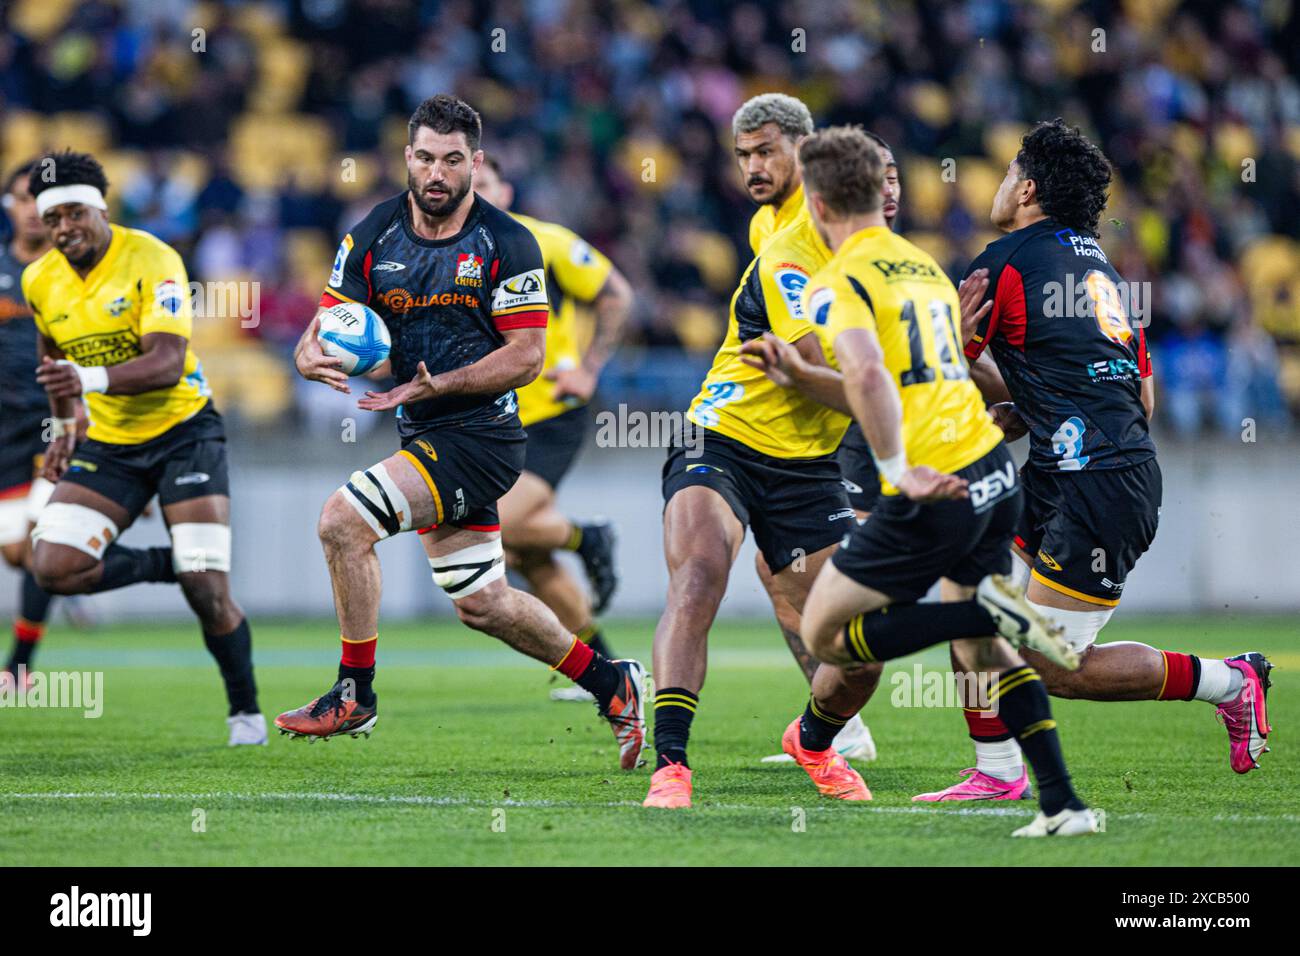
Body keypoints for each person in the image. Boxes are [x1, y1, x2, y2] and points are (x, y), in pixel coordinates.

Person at [746, 125, 1097, 837]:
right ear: (881, 192)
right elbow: (889, 382)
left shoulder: (836, 279)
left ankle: (984, 615)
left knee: (829, 633)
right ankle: (1061, 802)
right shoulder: (924, 268)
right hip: (995, 470)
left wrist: (896, 471)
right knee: (984, 656)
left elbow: (871, 376)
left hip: (935, 482)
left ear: (815, 202)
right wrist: (801, 375)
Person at [276, 95, 646, 769]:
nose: (436, 173)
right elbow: (328, 321)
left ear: (474, 161)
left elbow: (527, 357)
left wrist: (436, 385)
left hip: (482, 439)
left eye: (452, 159)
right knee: (485, 604)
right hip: (423, 435)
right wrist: (306, 353)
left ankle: (355, 692)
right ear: (407, 158)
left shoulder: (508, 241)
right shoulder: (371, 234)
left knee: (341, 522)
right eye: (424, 158)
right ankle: (612, 682)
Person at [916, 120, 1272, 800]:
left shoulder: (1005, 261)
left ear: (1025, 187)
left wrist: (953, 351)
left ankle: (1231, 680)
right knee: (968, 593)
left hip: (1096, 485)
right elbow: (1141, 393)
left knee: (1056, 666)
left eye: (1005, 173)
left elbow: (943, 378)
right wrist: (1041, 406)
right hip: (1080, 470)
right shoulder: (1098, 269)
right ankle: (996, 774)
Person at [642, 94, 880, 809]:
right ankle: (671, 767)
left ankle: (813, 739)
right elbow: (813, 367)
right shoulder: (782, 246)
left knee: (862, 643)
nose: (752, 167)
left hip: (808, 464)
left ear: (805, 154)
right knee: (700, 573)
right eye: (743, 155)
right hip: (722, 436)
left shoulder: (834, 236)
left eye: (765, 151)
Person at [21, 150, 264, 745]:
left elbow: (166, 361)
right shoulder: (40, 279)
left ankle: (246, 713)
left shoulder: (152, 257)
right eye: (52, 219)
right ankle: (166, 563)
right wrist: (64, 427)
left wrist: (88, 383)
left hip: (185, 432)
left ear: (101, 207)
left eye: (74, 213)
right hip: (109, 441)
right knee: (53, 566)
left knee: (209, 592)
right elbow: (53, 364)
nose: (63, 229)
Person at [473, 156, 632, 702]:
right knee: (523, 556)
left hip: (549, 415)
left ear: (507, 191)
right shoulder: (452, 255)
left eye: (485, 185)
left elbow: (618, 293)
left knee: (499, 531)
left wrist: (589, 368)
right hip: (492, 422)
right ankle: (606, 669)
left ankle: (588, 536)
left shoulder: (546, 242)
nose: (478, 196)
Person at [0, 161, 60, 687]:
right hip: (4, 432)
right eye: (21, 198)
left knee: (42, 544)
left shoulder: (72, 273)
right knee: (17, 552)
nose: (31, 209)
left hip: (56, 425)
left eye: (40, 199)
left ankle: (18, 667)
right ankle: (80, 562)